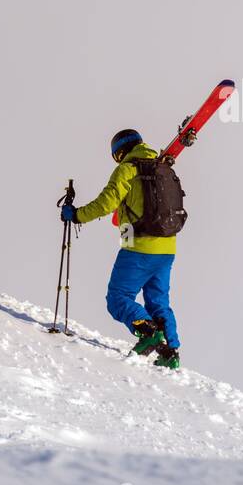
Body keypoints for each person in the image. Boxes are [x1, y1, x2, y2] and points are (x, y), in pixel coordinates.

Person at [61, 128, 180, 369]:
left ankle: (149, 333)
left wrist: (77, 216)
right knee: (158, 301)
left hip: (137, 248)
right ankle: (170, 352)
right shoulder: (162, 167)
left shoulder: (127, 169)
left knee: (118, 298)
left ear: (120, 152)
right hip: (167, 248)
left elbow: (107, 203)